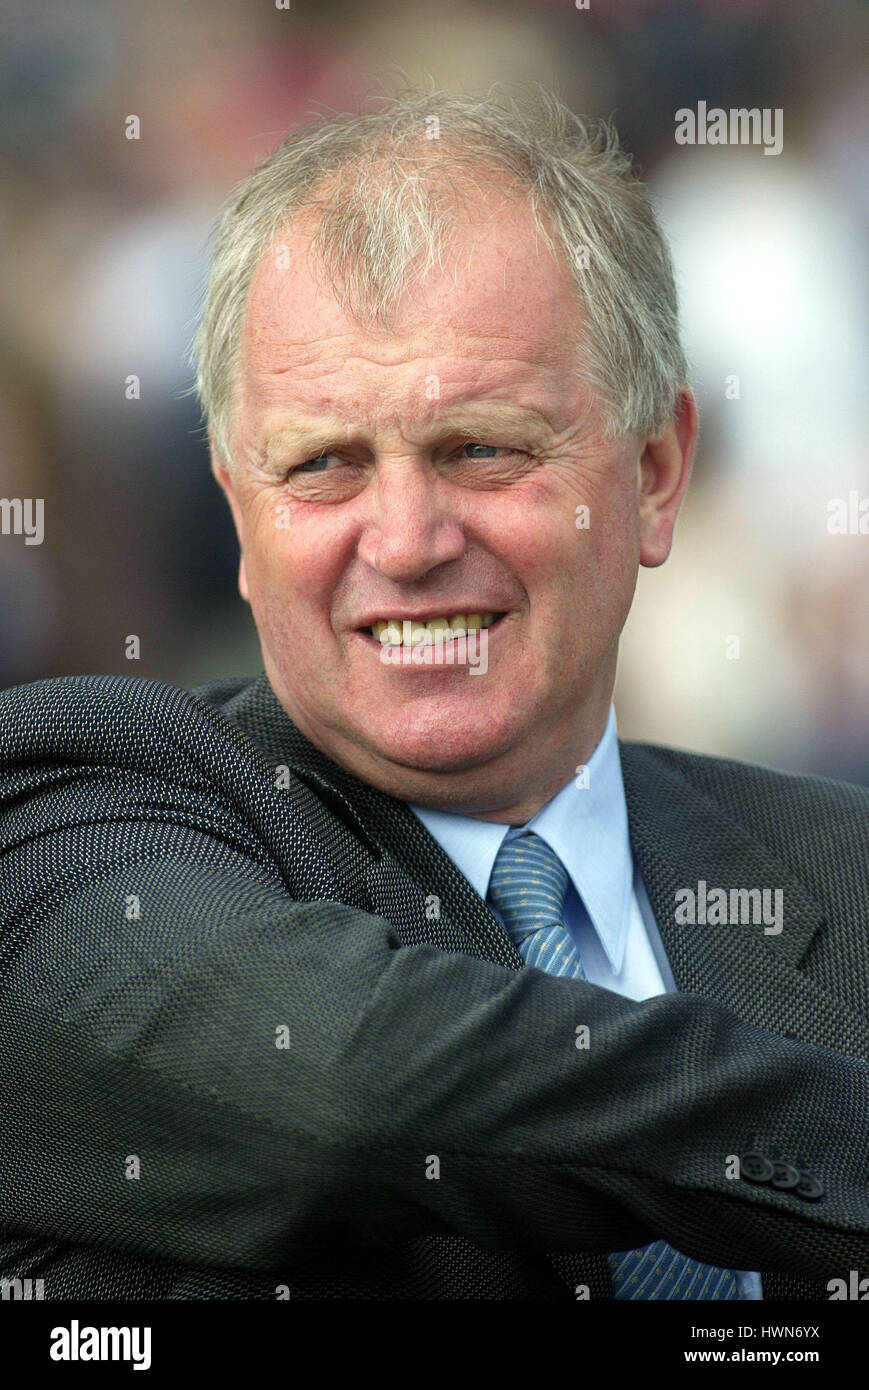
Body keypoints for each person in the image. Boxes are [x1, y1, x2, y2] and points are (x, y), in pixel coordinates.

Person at [1, 86, 868, 1302]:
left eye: (482, 448)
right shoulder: (74, 816)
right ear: (240, 518)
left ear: (655, 474)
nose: (403, 539)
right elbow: (349, 1085)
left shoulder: (847, 871)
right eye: (323, 464)